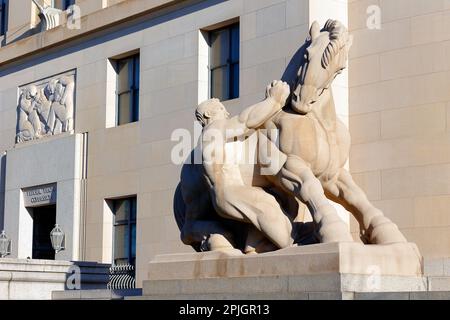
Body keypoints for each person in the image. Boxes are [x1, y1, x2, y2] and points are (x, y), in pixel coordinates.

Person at [196, 80, 294, 252]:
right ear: (207, 115)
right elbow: (245, 121)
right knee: (266, 206)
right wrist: (273, 100)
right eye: (220, 109)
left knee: (271, 200)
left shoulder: (212, 138)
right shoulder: (214, 129)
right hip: (228, 192)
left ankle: (254, 245)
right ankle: (291, 243)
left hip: (229, 192)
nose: (226, 112)